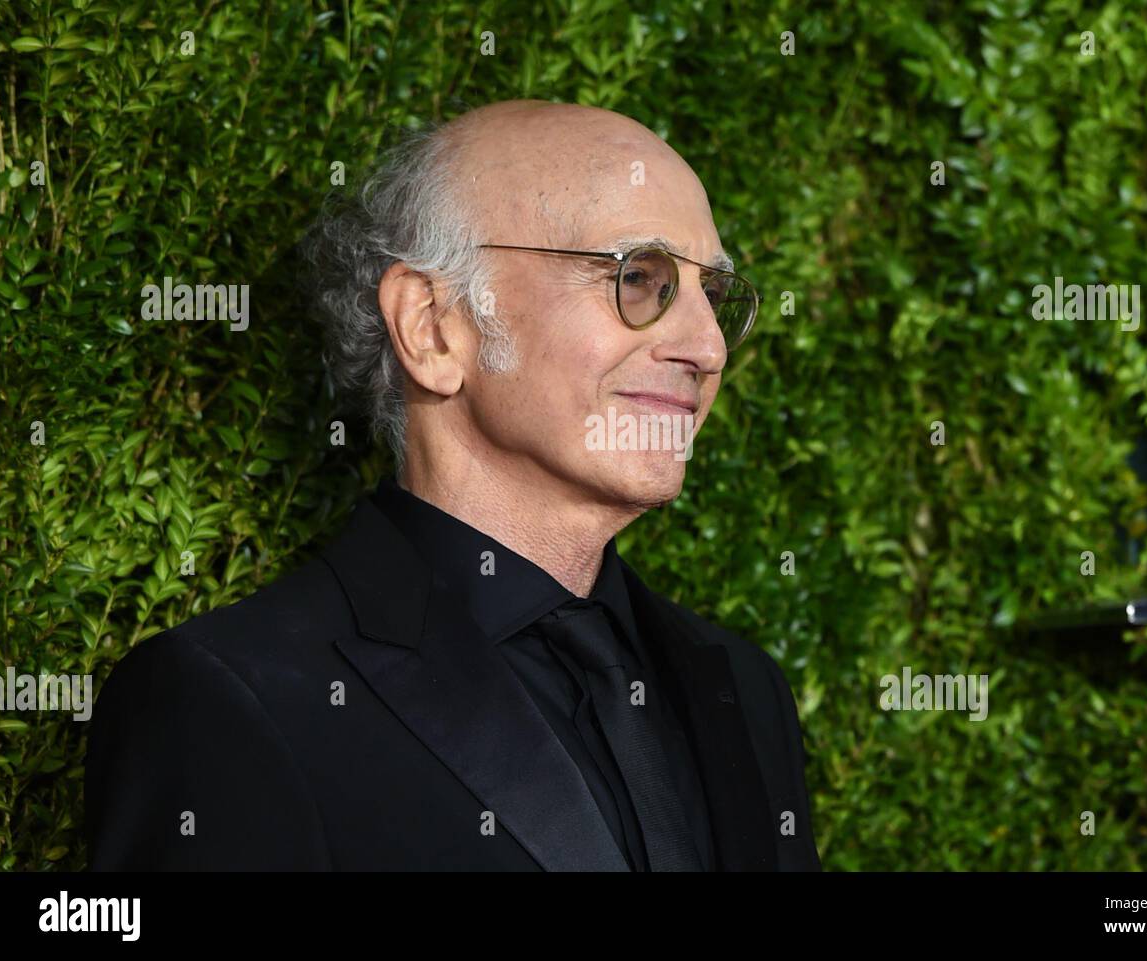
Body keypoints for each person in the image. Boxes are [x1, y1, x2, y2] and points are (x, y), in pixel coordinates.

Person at [84, 99, 822, 871]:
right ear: (433, 326)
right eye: (638, 275)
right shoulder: (231, 703)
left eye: (716, 296)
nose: (707, 346)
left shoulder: (744, 688)